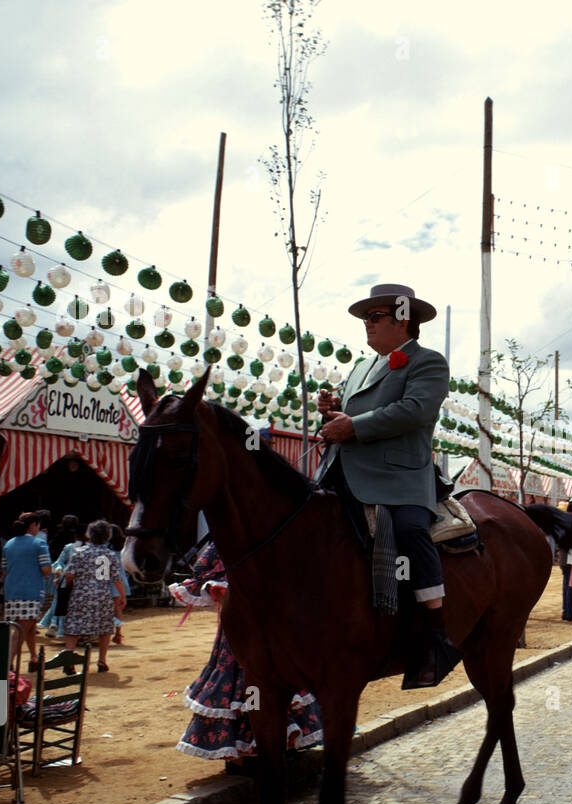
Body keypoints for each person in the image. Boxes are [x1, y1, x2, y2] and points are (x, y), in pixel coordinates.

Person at [312, 283, 455, 689]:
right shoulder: (361, 366)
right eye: (365, 318)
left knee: (410, 530)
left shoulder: (429, 362)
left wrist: (353, 424)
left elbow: (413, 411)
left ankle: (434, 635)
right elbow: (360, 415)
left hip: (398, 478)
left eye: (375, 318)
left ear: (403, 320)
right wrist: (333, 414)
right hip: (341, 470)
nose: (367, 325)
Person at [171, 543, 322, 769]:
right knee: (253, 686)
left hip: (256, 636)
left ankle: (252, 750)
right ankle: (252, 749)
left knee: (254, 686)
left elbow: (201, 570)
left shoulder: (233, 541)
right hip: (251, 637)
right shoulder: (255, 538)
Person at [62, 519, 125, 673]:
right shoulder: (109, 555)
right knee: (104, 629)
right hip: (102, 594)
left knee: (74, 628)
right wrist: (122, 596)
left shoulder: (79, 553)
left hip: (80, 593)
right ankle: (102, 661)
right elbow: (117, 579)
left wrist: (69, 586)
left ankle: (69, 661)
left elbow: (69, 574)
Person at [1, 517, 51, 663]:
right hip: (31, 592)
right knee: (21, 630)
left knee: (28, 627)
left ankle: (33, 657)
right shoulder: (39, 544)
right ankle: (8, 663)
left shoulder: (8, 544)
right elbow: (46, 569)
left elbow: (4, 570)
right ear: (33, 525)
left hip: (12, 591)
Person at [40, 515, 83, 639]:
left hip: (63, 575)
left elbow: (56, 558)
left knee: (59, 601)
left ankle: (54, 624)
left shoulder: (61, 540)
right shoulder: (86, 547)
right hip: (82, 581)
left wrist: (57, 574)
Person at [557, 500, 572, 621]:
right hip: (571, 559)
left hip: (563, 559)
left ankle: (566, 611)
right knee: (571, 586)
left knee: (566, 586)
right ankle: (570, 613)